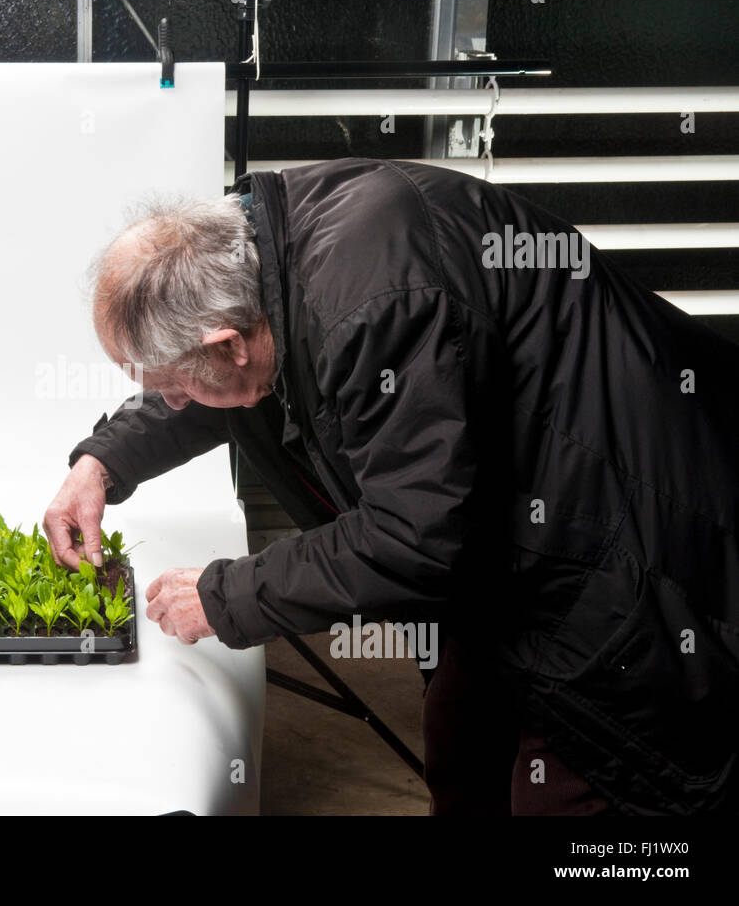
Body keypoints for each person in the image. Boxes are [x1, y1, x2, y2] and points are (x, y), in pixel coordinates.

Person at [42, 157, 739, 815]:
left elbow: (413, 534)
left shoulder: (378, 305)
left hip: (631, 563)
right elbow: (211, 390)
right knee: (462, 750)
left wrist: (225, 596)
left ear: (228, 345)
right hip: (515, 553)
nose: (173, 401)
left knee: (578, 799)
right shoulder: (262, 263)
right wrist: (102, 462)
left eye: (170, 385)